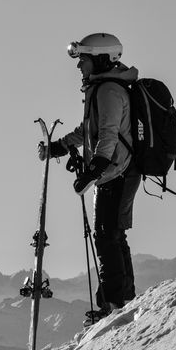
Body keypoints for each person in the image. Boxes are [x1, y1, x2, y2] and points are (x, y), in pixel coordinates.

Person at [38, 33, 141, 322]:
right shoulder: (102, 88)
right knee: (112, 234)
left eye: (82, 59)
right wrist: (58, 147)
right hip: (116, 171)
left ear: (99, 58)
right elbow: (88, 131)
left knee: (107, 236)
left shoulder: (108, 90)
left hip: (117, 172)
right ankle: (122, 298)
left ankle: (115, 303)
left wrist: (94, 171)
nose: (78, 66)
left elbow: (107, 135)